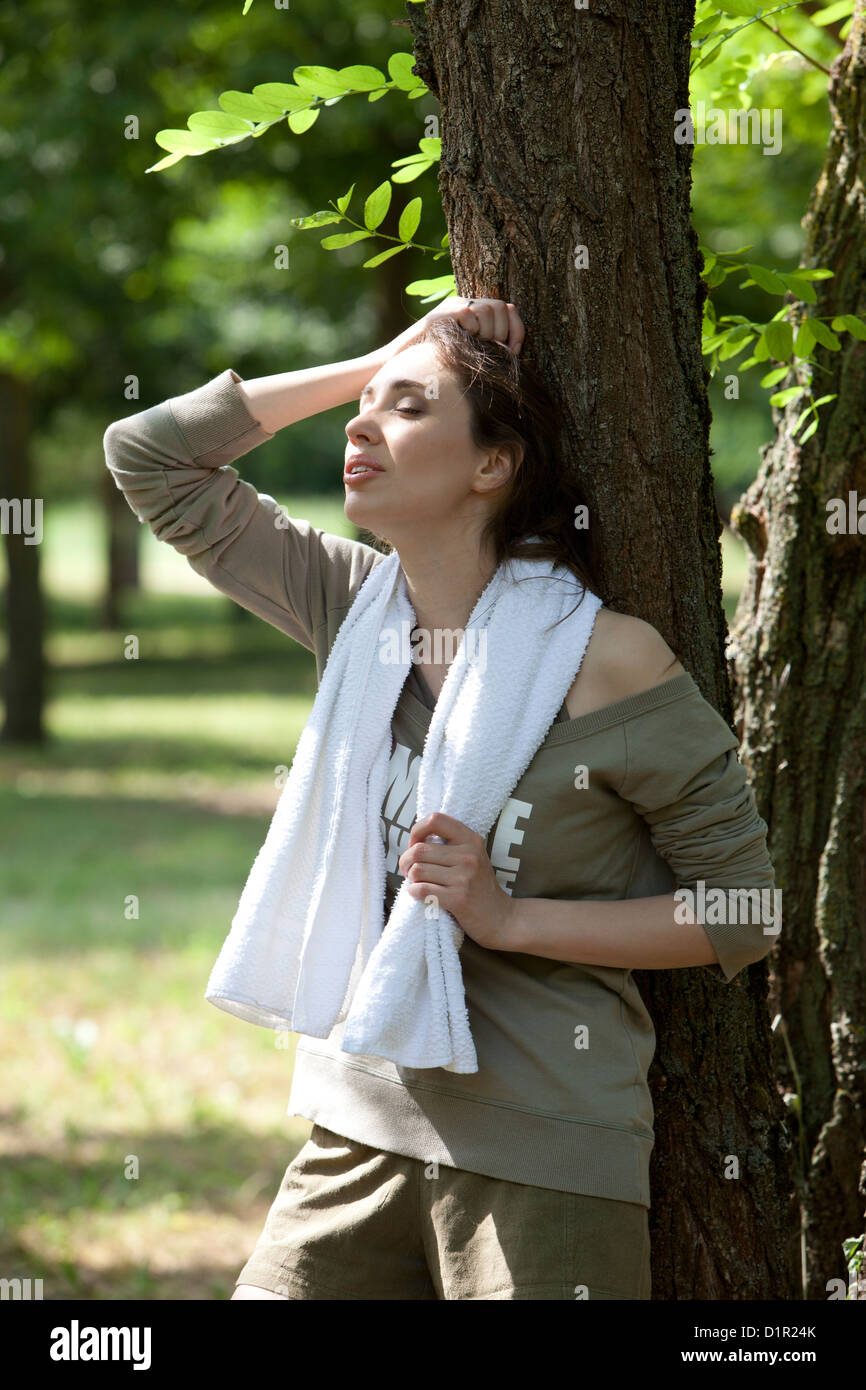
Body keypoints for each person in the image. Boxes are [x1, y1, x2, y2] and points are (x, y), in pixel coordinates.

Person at [103, 297, 777, 1301]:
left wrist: (508, 917)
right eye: (361, 409)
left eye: (407, 408)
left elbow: (743, 909)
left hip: (544, 1148)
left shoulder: (607, 663)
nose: (360, 427)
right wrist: (384, 357)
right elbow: (148, 458)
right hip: (354, 1122)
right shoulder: (349, 609)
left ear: (490, 465)